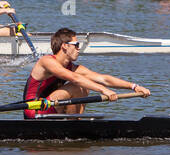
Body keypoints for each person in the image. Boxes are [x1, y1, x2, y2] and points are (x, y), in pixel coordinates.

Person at [22, 28, 150, 118]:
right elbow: (74, 78)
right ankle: (74, 123)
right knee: (78, 85)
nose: (79, 49)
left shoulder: (72, 67)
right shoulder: (47, 61)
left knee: (84, 86)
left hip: (51, 107)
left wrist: (134, 87)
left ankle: (75, 120)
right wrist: (103, 91)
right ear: (65, 46)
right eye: (76, 45)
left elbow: (103, 79)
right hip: (35, 110)